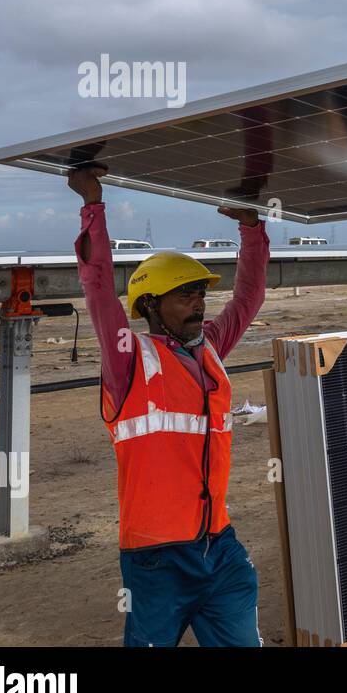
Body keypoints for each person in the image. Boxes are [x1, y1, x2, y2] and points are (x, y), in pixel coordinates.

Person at [69, 164, 271, 647]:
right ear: (152, 305)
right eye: (186, 294)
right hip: (156, 559)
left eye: (201, 293)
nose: (200, 303)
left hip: (218, 548)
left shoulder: (210, 350)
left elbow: (248, 297)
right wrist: (92, 205)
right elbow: (99, 292)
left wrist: (252, 228)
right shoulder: (128, 359)